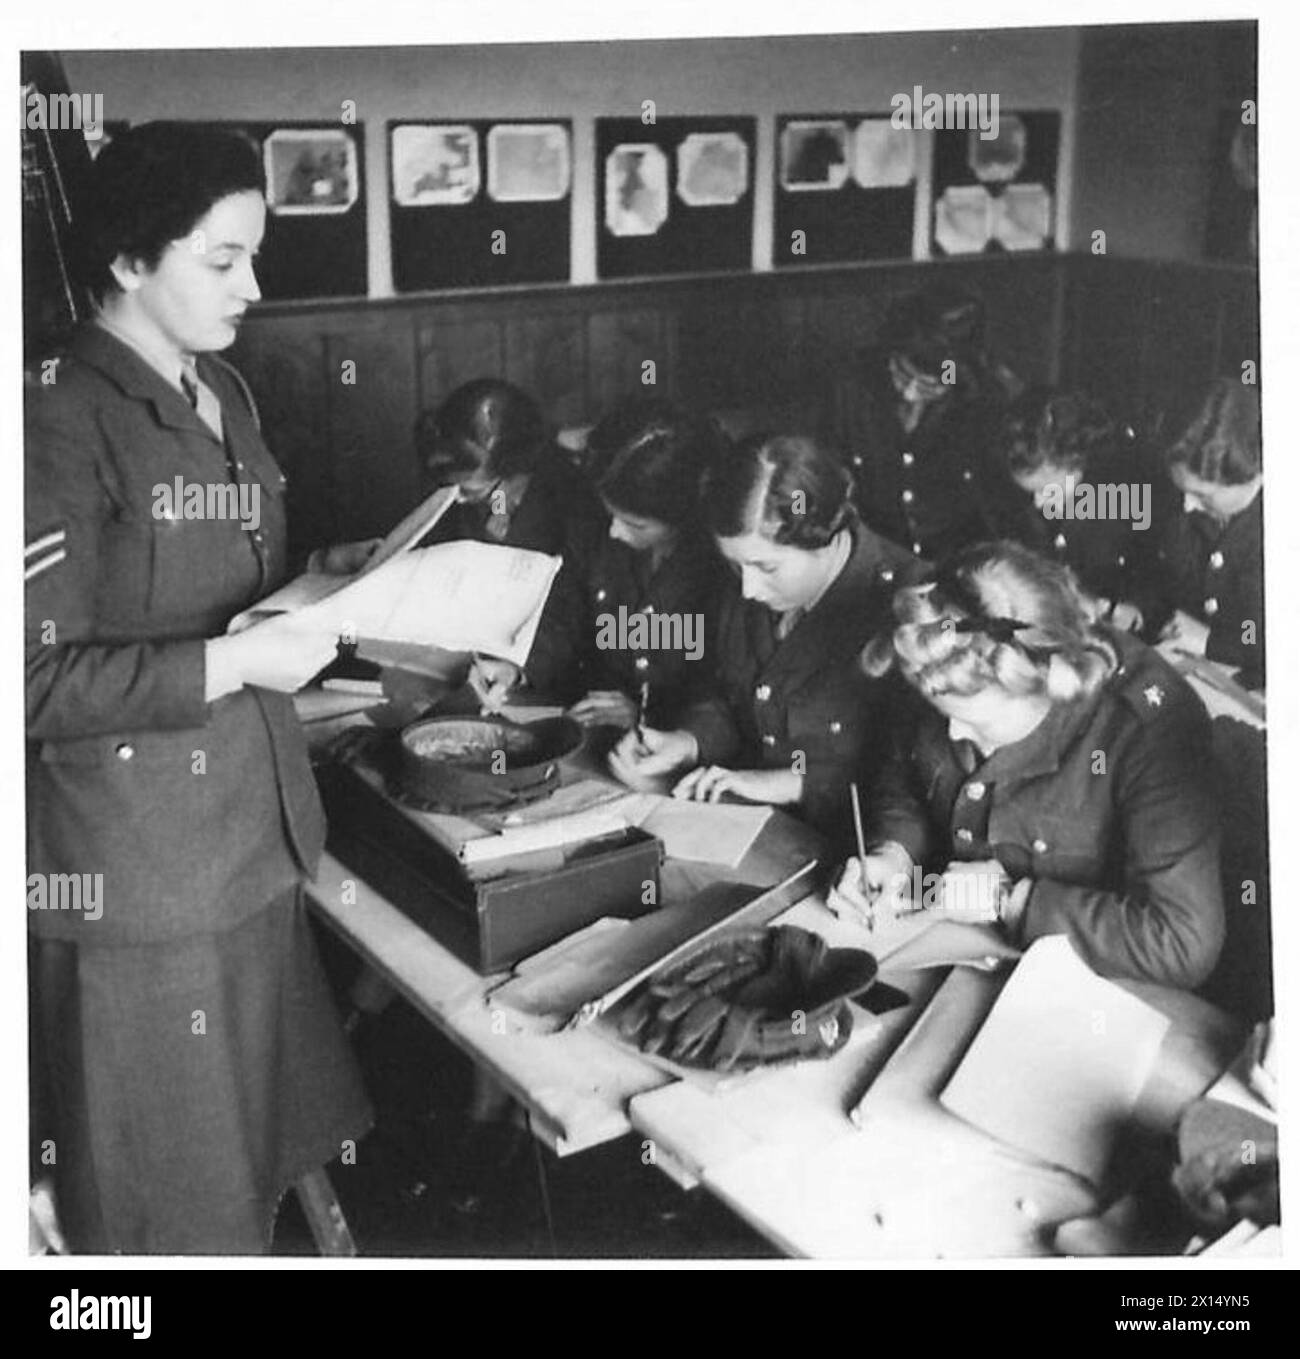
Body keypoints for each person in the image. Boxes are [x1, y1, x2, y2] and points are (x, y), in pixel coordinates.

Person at [25, 122, 373, 1253]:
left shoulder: (218, 384)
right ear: (130, 261)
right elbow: (27, 682)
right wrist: (232, 665)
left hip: (254, 843)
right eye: (222, 261)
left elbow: (233, 584)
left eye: (254, 256)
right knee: (172, 1202)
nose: (254, 286)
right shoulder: (50, 417)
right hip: (144, 887)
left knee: (256, 1158)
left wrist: (328, 580)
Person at [828, 541, 1225, 990]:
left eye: (979, 723)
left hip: (1082, 994)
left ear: (1048, 690)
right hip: (948, 957)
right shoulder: (945, 652)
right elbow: (907, 779)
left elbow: (1180, 942)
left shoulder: (1146, 728)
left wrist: (1007, 899)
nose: (954, 735)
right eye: (943, 715)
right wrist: (892, 856)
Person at [609, 432, 918, 851]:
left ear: (824, 534)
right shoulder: (749, 586)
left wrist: (794, 782)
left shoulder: (910, 607)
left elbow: (917, 782)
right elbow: (725, 693)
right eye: (736, 566)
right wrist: (688, 741)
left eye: (766, 566)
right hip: (746, 833)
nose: (750, 589)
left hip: (853, 859)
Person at [413, 377, 606, 706]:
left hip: (553, 686)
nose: (456, 500)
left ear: (520, 472)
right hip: (466, 667)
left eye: (470, 492)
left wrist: (516, 668)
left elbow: (572, 613)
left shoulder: (574, 507)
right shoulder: (468, 491)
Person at [566, 398, 727, 732]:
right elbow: (565, 612)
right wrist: (518, 664)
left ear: (683, 518)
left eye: (636, 525)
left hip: (670, 753)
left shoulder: (725, 573)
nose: (614, 531)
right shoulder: (601, 533)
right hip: (596, 730)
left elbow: (722, 699)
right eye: (611, 514)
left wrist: (645, 715)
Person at [832, 284, 1020, 560]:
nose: (908, 393)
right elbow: (827, 471)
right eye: (902, 374)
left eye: (927, 387)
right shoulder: (852, 385)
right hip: (876, 557)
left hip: (957, 560)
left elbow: (1006, 508)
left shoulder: (987, 403)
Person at [994, 387, 1161, 631]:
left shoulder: (1126, 501)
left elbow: (1157, 574)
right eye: (1031, 492)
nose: (1039, 503)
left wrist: (1135, 609)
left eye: (1047, 490)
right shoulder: (1022, 501)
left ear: (1078, 465)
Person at [1141, 380, 1264, 690]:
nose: (1188, 504)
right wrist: (1141, 609)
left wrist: (1211, 642)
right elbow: (1164, 584)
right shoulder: (1184, 509)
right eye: (1184, 491)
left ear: (1258, 471)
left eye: (1205, 495)